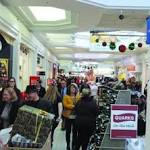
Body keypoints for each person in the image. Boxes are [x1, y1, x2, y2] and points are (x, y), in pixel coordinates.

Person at [75, 84, 98, 150]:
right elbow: (96, 112)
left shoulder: (79, 102)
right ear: (90, 93)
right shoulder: (93, 102)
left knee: (79, 138)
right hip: (89, 124)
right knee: (86, 140)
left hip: (80, 124)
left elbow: (76, 110)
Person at [43, 81, 63, 147]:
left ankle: (47, 144)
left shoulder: (45, 97)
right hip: (55, 118)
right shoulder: (58, 97)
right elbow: (60, 107)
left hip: (46, 117)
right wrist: (59, 117)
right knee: (51, 132)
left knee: (46, 132)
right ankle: (50, 144)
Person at [63, 83, 80, 150]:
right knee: (68, 131)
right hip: (68, 117)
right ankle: (68, 144)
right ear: (69, 89)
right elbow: (65, 105)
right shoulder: (66, 96)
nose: (73, 89)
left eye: (74, 88)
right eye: (71, 88)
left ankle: (73, 145)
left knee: (75, 132)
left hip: (76, 117)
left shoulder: (78, 97)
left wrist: (75, 106)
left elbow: (80, 105)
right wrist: (73, 106)